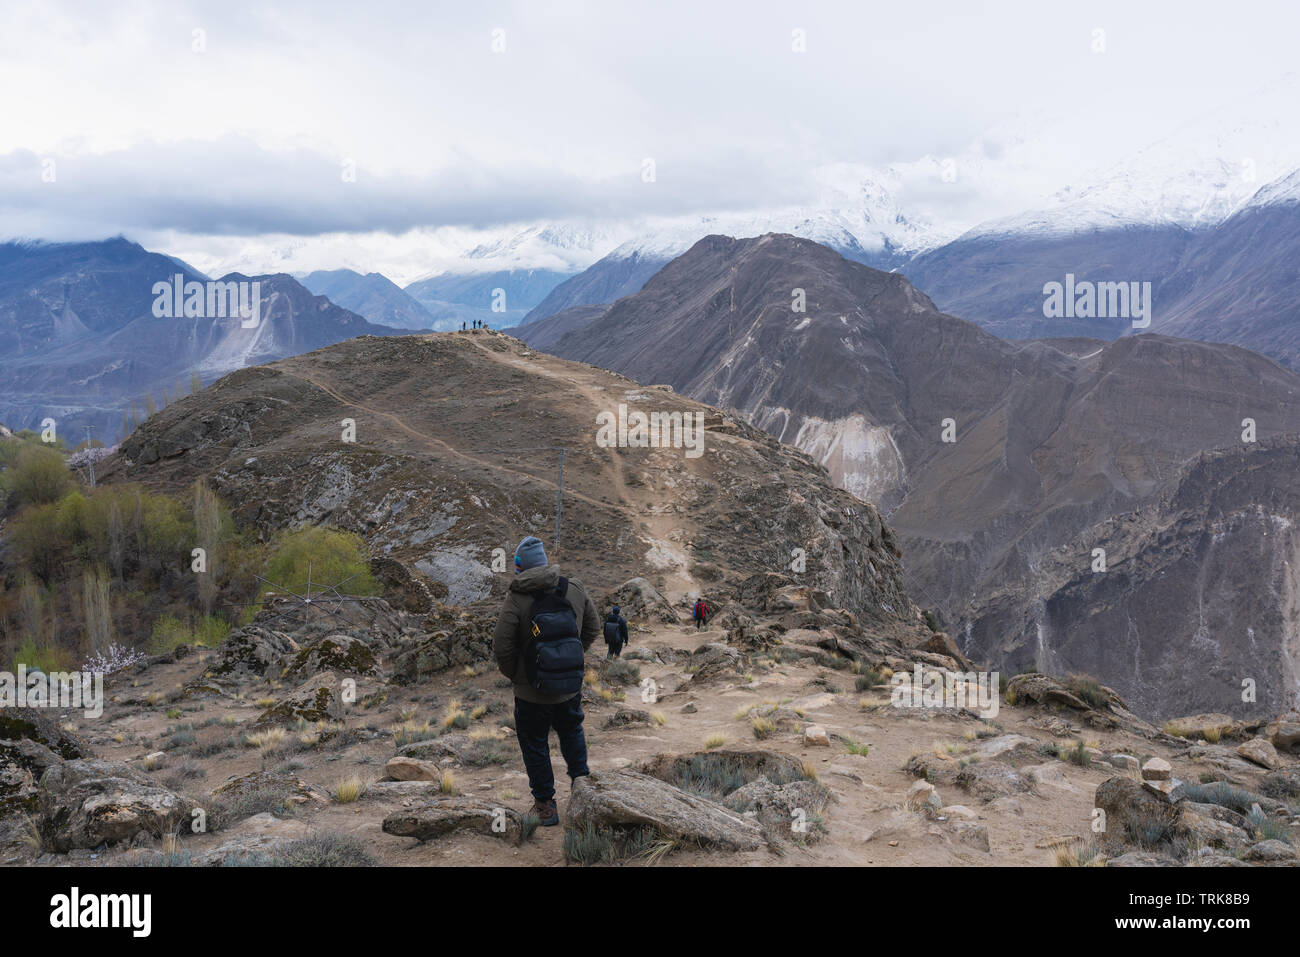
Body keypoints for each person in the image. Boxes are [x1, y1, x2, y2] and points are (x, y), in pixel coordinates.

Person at [492, 535, 599, 826]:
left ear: (520, 567)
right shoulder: (573, 588)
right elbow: (592, 627)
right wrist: (571, 659)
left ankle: (545, 806)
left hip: (531, 694)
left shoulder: (516, 597)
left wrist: (519, 675)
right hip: (569, 688)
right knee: (572, 732)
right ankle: (584, 790)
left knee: (535, 744)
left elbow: (501, 646)